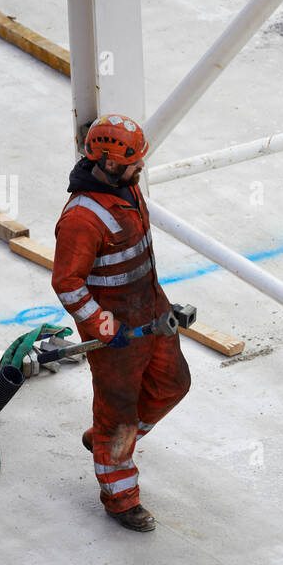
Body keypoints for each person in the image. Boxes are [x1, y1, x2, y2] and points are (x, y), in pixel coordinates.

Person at [51, 114, 190, 531]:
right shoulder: (81, 218)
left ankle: (104, 444)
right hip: (116, 334)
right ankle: (121, 500)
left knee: (173, 384)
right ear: (109, 164)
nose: (141, 167)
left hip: (150, 311)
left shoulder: (127, 189)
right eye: (133, 161)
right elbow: (67, 282)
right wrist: (100, 326)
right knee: (119, 416)